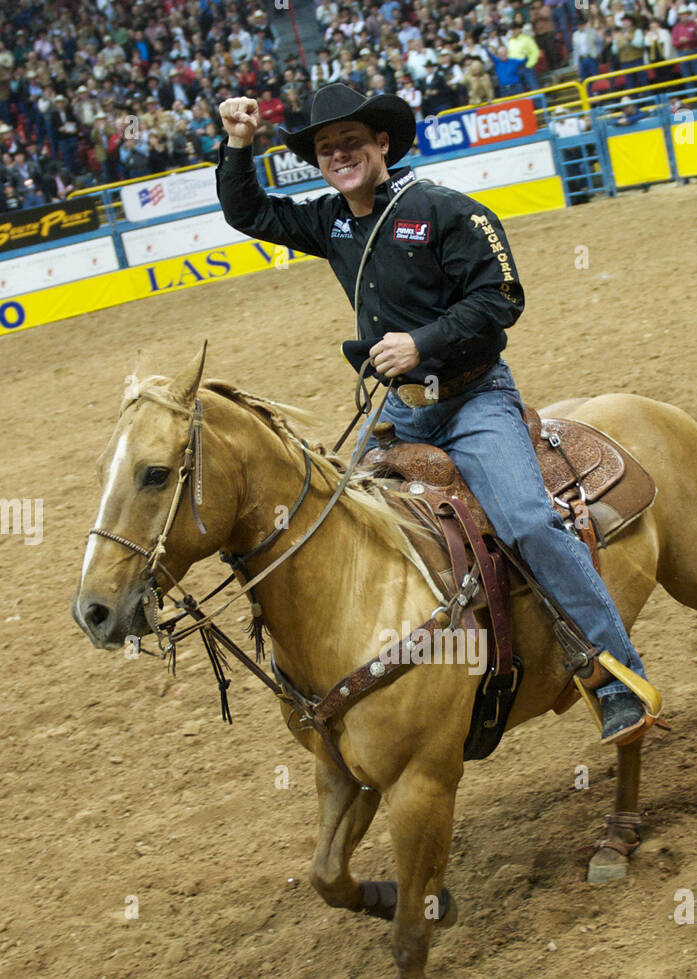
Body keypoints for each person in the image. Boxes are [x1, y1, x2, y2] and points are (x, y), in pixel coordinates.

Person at [215, 83, 653, 743]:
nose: (339, 156)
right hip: (402, 413)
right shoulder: (331, 220)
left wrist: (422, 342)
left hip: (474, 400)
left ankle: (615, 672)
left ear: (382, 143)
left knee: (530, 523)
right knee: (341, 524)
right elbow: (248, 211)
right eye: (327, 149)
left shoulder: (446, 211)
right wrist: (238, 144)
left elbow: (501, 298)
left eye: (352, 143)